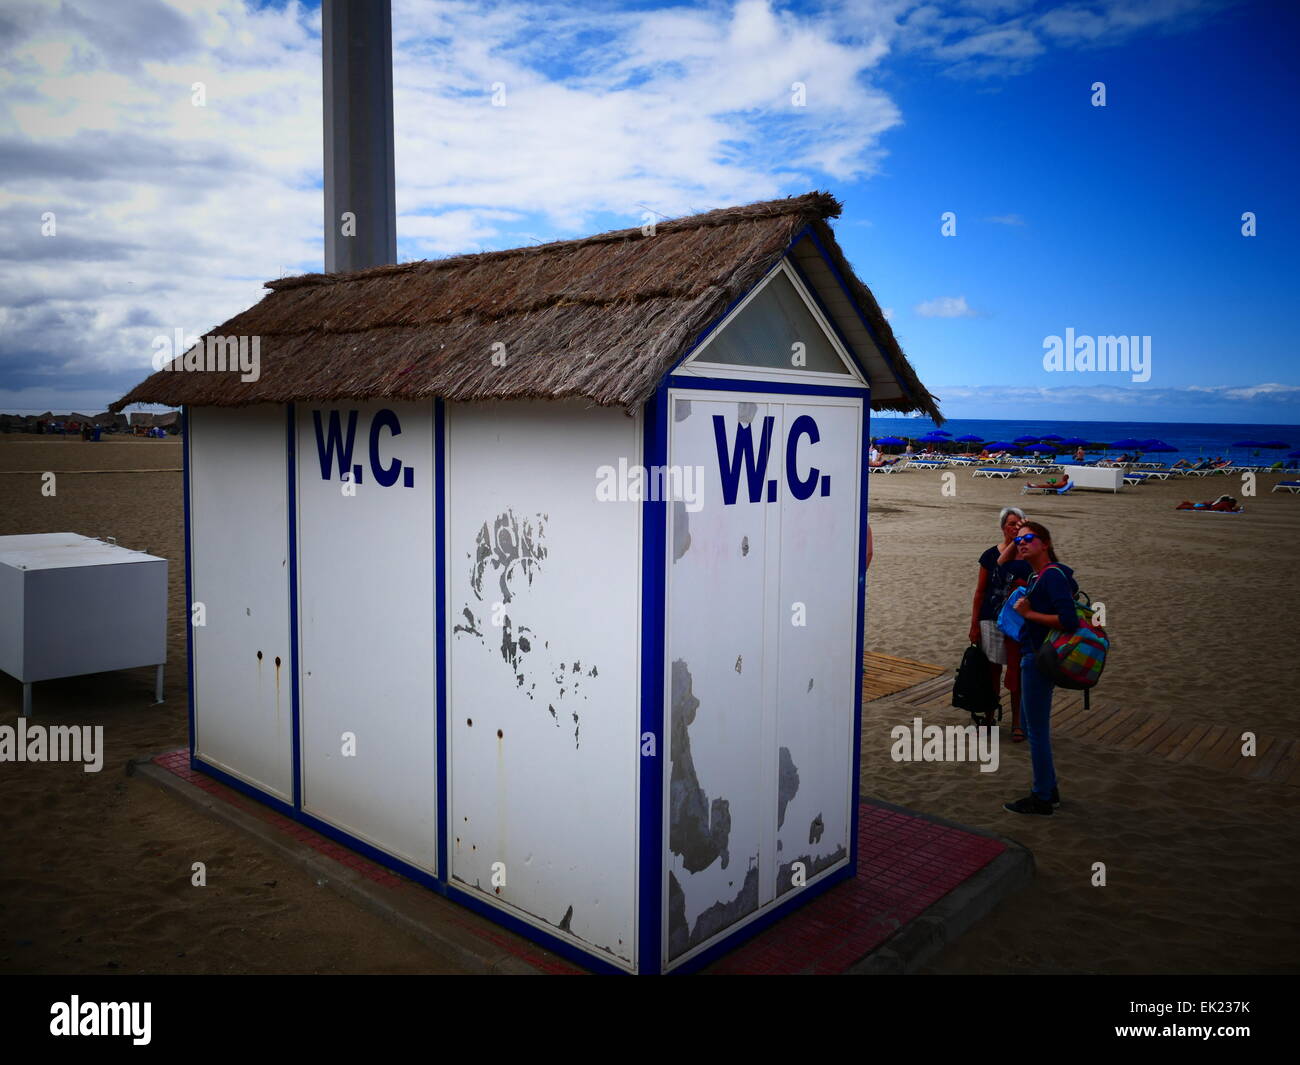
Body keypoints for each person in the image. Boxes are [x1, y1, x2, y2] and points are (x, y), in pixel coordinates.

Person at [1004, 522, 1078, 815]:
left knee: (1036, 730)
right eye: (1017, 540)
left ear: (1045, 543)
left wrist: (1029, 612)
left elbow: (1069, 620)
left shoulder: (1051, 576)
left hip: (1038, 658)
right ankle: (1049, 787)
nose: (1021, 543)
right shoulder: (1039, 576)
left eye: (1028, 539)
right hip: (1033, 654)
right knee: (1034, 724)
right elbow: (1001, 562)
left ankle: (1042, 796)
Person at [968, 507, 1033, 738]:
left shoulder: (1028, 556)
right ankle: (989, 716)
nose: (1014, 528)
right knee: (991, 671)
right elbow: (980, 592)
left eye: (1018, 524)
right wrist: (974, 624)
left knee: (1017, 672)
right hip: (991, 618)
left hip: (1017, 622)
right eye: (1010, 524)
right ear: (1002, 527)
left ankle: (1017, 722)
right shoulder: (989, 555)